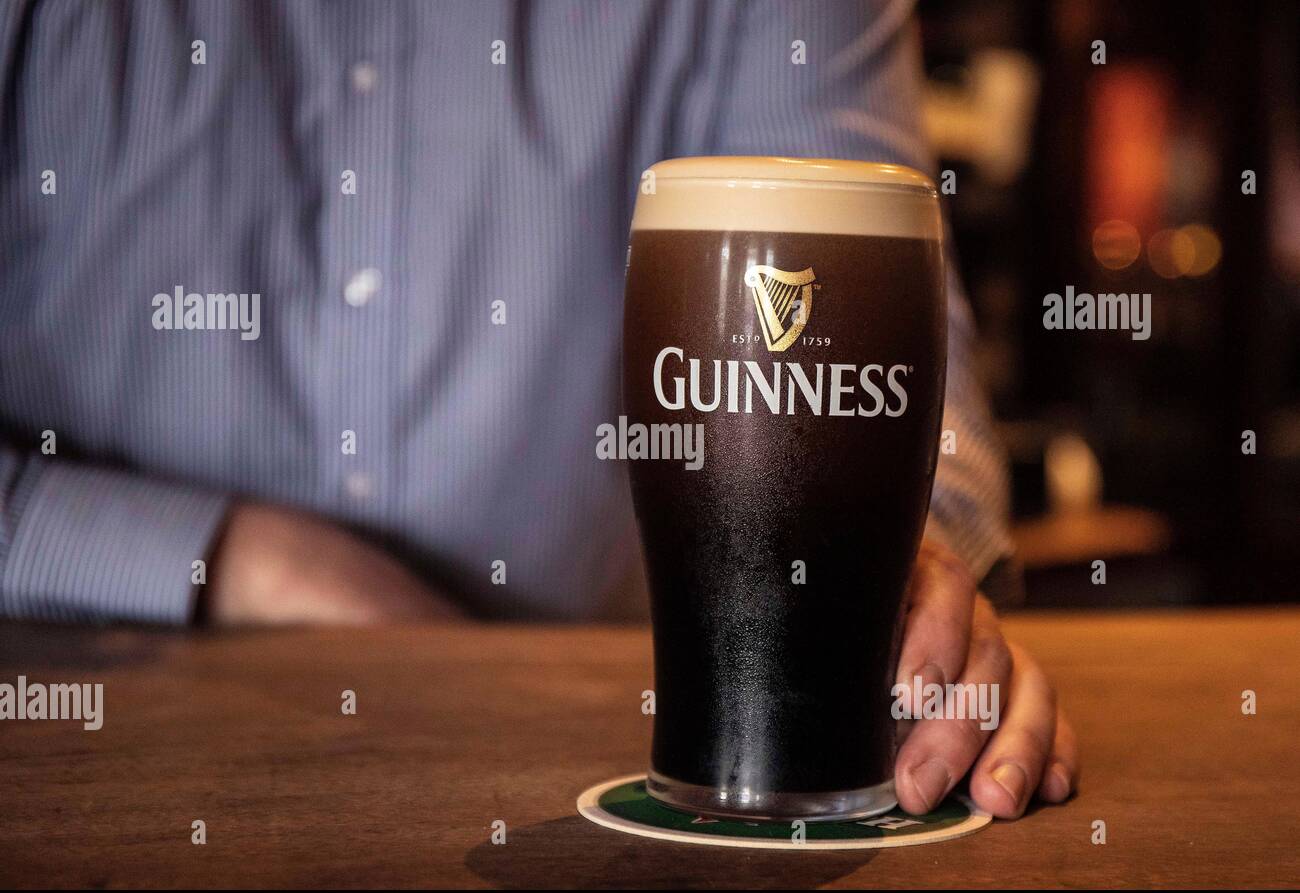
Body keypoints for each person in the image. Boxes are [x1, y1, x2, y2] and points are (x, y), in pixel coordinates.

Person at [0, 0, 1076, 819]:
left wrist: (914, 585)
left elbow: (893, 334)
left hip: (590, 776)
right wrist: (248, 561)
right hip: (69, 750)